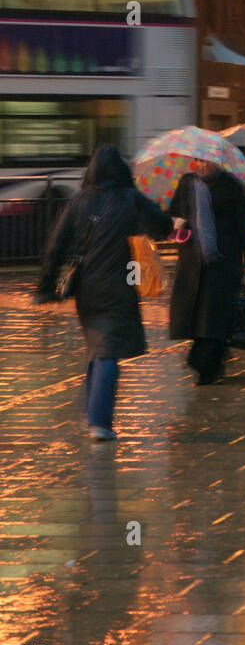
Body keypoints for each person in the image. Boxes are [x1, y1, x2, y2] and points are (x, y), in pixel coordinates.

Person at [35, 144, 178, 440]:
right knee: (107, 353)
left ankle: (91, 412)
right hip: (118, 285)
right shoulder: (130, 198)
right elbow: (161, 226)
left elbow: (56, 245)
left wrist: (46, 287)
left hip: (86, 289)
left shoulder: (79, 201)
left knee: (98, 346)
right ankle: (99, 423)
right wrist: (173, 223)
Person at [169, 160, 245, 385]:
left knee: (214, 314)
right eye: (199, 160)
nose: (203, 165)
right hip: (192, 260)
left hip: (223, 259)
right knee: (196, 314)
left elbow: (243, 225)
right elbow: (174, 212)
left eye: (207, 161)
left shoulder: (232, 186)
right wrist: (177, 224)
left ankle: (206, 362)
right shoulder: (187, 183)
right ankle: (210, 360)